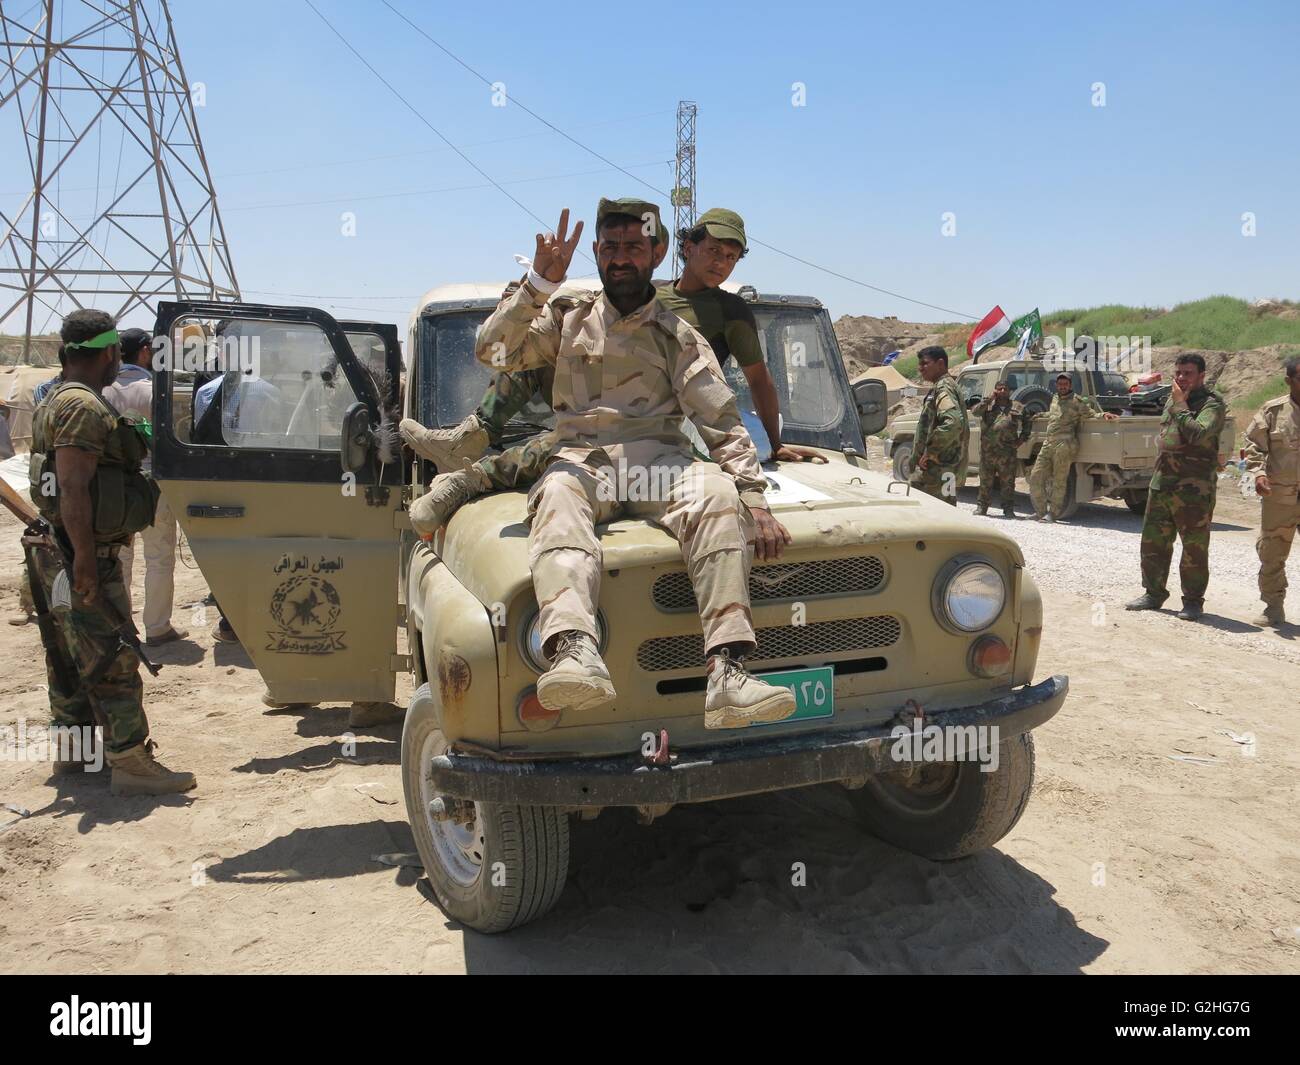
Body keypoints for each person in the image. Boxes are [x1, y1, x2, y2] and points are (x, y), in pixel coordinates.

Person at [471, 200, 796, 730]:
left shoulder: (677, 335)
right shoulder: (567, 317)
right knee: (557, 494)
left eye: (633, 248)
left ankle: (728, 673)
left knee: (716, 493)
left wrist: (754, 498)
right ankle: (575, 651)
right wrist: (538, 285)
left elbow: (721, 420)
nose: (620, 258)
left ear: (657, 253)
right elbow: (493, 354)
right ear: (597, 253)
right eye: (610, 248)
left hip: (657, 463)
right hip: (584, 461)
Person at [402, 206, 824, 536]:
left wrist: (774, 443)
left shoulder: (730, 310)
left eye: (731, 257)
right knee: (553, 352)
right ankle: (475, 434)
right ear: (686, 249)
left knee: (570, 443)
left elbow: (758, 379)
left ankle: (470, 477)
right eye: (713, 251)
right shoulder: (646, 293)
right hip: (611, 406)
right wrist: (536, 288)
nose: (721, 264)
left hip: (675, 420)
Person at [27, 309, 195, 794]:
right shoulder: (82, 405)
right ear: (107, 353)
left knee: (67, 655)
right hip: (82, 552)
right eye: (116, 353)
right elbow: (74, 485)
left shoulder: (55, 396)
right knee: (114, 657)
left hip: (57, 547)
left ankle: (76, 751)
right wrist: (84, 558)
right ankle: (130, 761)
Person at [1124, 354, 1226, 621]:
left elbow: (1197, 433)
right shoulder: (1172, 400)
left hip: (1193, 490)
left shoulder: (1212, 404)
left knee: (1194, 548)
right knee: (1153, 543)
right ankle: (1153, 593)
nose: (1181, 378)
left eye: (1187, 373)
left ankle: (1193, 601)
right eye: (1178, 372)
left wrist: (1180, 404)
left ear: (1201, 376)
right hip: (1162, 484)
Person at [103, 328, 187, 646]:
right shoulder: (153, 391)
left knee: (120, 558)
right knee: (159, 557)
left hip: (113, 485)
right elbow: (167, 439)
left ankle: (121, 628)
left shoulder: (101, 391)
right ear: (144, 351)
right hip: (151, 484)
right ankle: (157, 627)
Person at [1243, 354, 1300, 627]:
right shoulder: (1273, 411)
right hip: (1280, 496)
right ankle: (1273, 607)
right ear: (1289, 380)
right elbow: (1253, 446)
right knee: (1272, 552)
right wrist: (1259, 473)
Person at [1028, 372, 1118, 521]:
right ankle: (1040, 511)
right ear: (1056, 385)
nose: (1062, 387)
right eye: (1060, 384)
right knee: (1035, 476)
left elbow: (1090, 414)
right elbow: (1054, 414)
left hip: (1064, 444)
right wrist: (1039, 415)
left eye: (1065, 384)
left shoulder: (1077, 401)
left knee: (1059, 480)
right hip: (1048, 443)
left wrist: (1103, 415)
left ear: (1070, 385)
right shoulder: (1055, 398)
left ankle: (1053, 513)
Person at [908, 346, 968, 504]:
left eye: (925, 363)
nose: (920, 368)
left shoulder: (943, 387)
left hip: (935, 471)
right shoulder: (946, 385)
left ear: (940, 363)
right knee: (945, 510)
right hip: (944, 469)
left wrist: (931, 451)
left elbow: (953, 421)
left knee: (927, 511)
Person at [972, 380, 1029, 517]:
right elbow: (975, 412)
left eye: (1005, 389)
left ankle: (1008, 509)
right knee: (985, 481)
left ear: (1009, 391)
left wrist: (1021, 440)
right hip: (988, 452)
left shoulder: (1017, 406)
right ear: (995, 391)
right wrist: (989, 399)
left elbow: (1028, 423)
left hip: (1007, 453)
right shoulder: (987, 405)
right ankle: (982, 507)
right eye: (999, 389)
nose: (1002, 391)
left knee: (1008, 483)